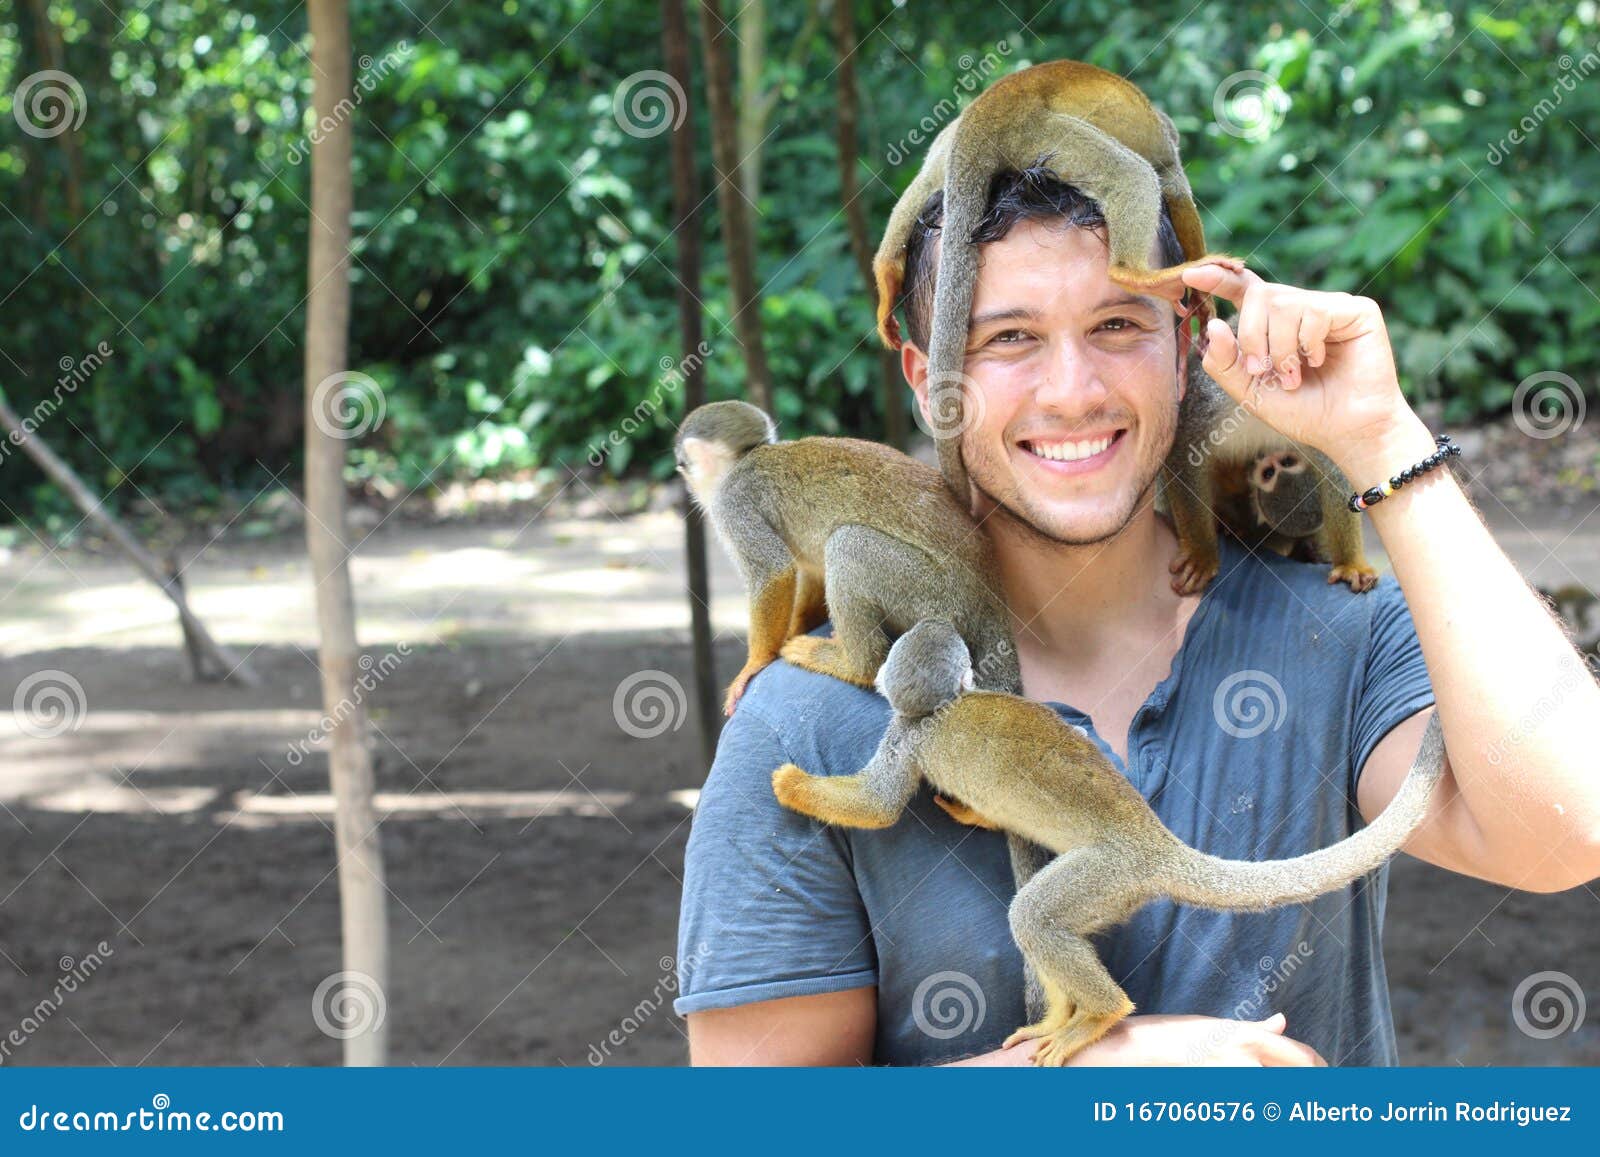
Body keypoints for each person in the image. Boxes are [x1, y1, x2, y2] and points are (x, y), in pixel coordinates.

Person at [671, 152, 1600, 1066]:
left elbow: (1574, 825)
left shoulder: (1337, 631)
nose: (1073, 391)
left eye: (1117, 324)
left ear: (1186, 347)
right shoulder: (804, 718)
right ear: (927, 381)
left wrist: (1383, 439)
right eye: (1009, 338)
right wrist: (1089, 1087)